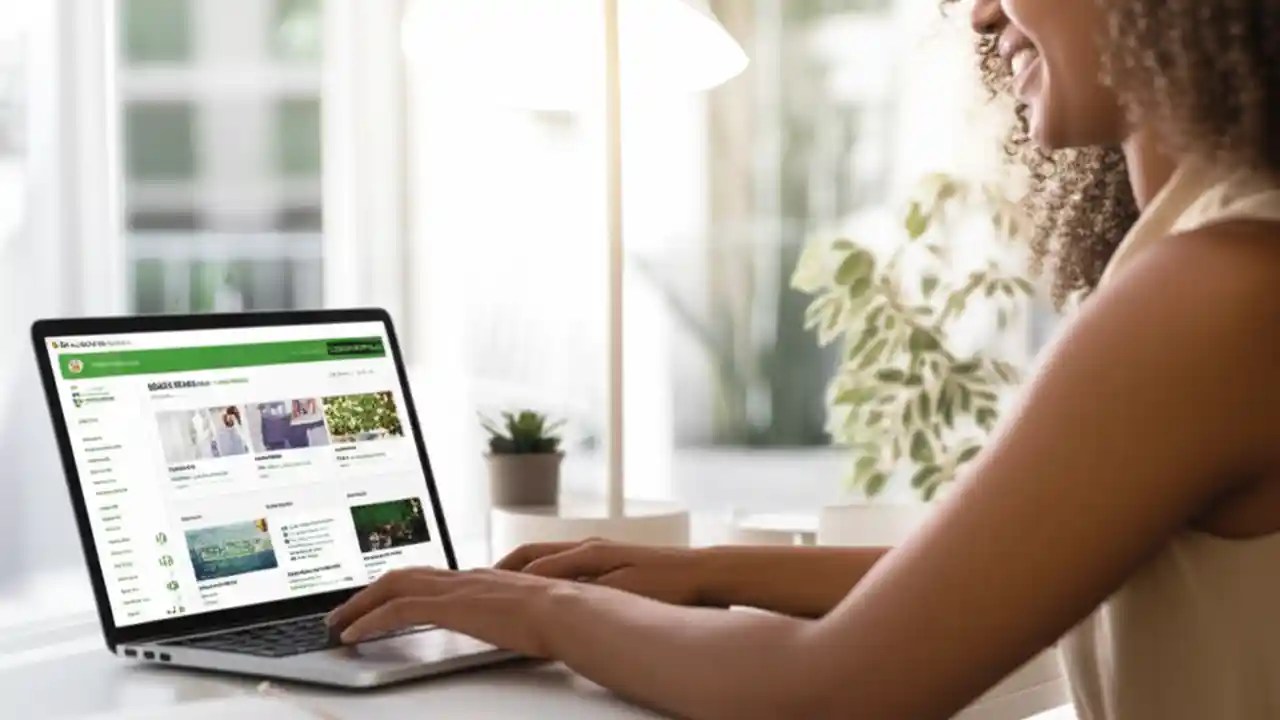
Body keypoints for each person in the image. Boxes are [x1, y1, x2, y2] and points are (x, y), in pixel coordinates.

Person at [326, 1, 1280, 717]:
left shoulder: (1219, 289)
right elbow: (988, 576)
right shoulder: (1224, 259)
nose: (983, 15)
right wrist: (707, 570)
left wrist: (536, 611)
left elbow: (827, 690)